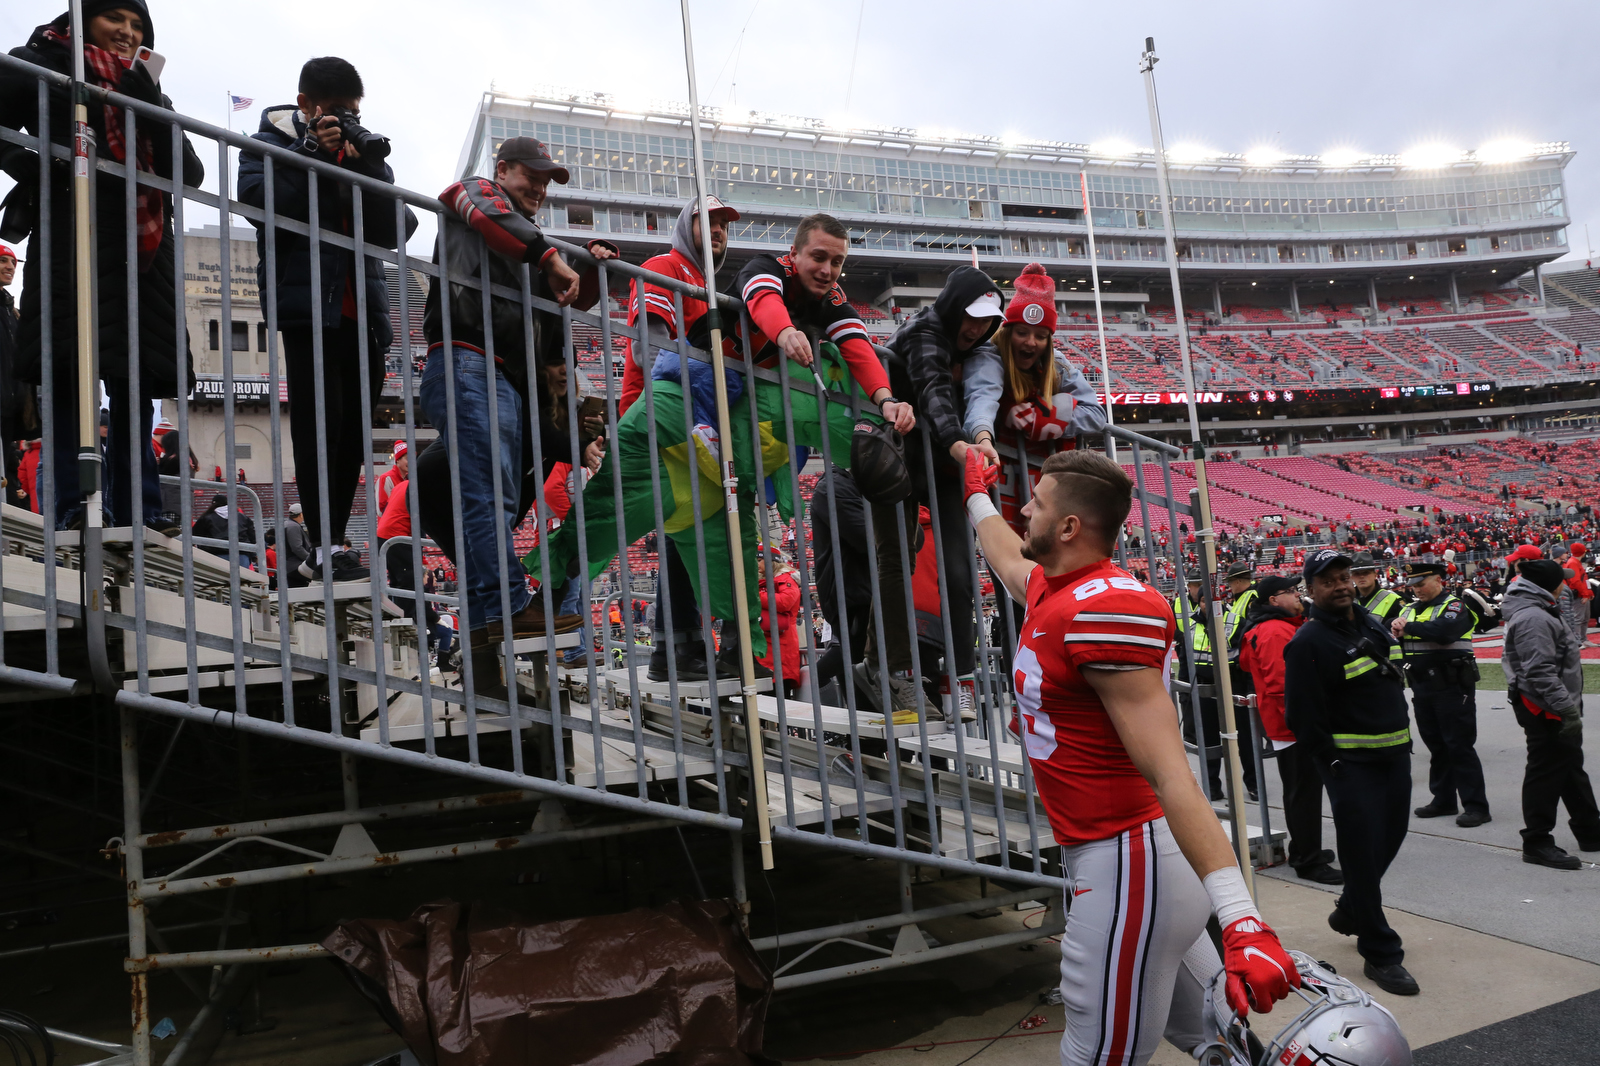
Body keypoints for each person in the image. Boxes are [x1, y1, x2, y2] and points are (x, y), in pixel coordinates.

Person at [962, 447, 1298, 1062]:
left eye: (1035, 504)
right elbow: (1007, 556)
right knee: (1215, 1039)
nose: (1024, 512)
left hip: (1129, 861)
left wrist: (1242, 917)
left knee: (1097, 1056)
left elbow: (1172, 773)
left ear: (1068, 527)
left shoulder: (1103, 607)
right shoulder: (1058, 588)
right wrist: (974, 492)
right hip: (1126, 859)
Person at [1, 0, 202, 530]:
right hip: (73, 233)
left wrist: (150, 108)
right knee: (69, 375)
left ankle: (141, 509)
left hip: (142, 250)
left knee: (133, 383)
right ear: (84, 17)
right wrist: (36, 166)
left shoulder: (151, 90)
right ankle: (73, 507)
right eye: (117, 18)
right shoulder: (43, 62)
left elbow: (191, 172)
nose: (127, 32)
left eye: (138, 26)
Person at [416, 136, 611, 674]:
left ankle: (484, 632)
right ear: (501, 171)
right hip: (466, 359)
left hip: (493, 373)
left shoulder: (522, 250)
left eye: (548, 182)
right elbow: (473, 202)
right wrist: (551, 255)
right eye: (532, 177)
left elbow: (554, 321)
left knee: (489, 496)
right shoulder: (474, 193)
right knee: (488, 495)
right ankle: (506, 604)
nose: (541, 190)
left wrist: (585, 269)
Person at [237, 57, 417, 582]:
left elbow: (396, 227)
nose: (345, 119)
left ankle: (332, 543)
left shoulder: (360, 152)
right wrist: (312, 151)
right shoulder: (268, 143)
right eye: (335, 110)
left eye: (352, 111)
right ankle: (320, 542)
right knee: (323, 426)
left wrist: (362, 165)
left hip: (365, 314)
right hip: (310, 310)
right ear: (305, 105)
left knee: (355, 434)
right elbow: (259, 201)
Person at [865, 265, 1005, 717]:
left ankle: (960, 679)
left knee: (962, 575)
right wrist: (958, 442)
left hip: (941, 467)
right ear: (952, 307)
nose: (977, 328)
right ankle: (892, 671)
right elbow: (934, 391)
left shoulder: (976, 346)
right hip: (905, 461)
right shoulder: (926, 331)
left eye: (987, 321)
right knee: (897, 563)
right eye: (972, 316)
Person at [617, 195, 740, 682]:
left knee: (682, 533)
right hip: (661, 412)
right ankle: (679, 651)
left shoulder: (706, 284)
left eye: (723, 226)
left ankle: (675, 652)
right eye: (706, 222)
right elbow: (651, 353)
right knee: (686, 533)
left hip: (688, 417)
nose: (717, 233)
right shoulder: (663, 267)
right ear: (685, 226)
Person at [1286, 548, 1417, 997]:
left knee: (1393, 837)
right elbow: (1303, 716)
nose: (1340, 585)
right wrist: (1333, 764)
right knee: (1361, 854)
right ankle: (1380, 952)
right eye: (1329, 580)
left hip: (1395, 755)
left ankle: (1350, 907)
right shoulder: (1306, 643)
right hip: (1352, 765)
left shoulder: (1372, 623)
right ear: (1311, 590)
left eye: (1345, 577)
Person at [1240, 574, 1341, 885]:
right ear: (1273, 600)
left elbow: (1247, 663)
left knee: (1301, 792)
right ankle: (1307, 860)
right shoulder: (1274, 631)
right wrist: (1306, 725)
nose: (1298, 595)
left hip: (1288, 725)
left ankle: (1303, 849)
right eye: (1290, 592)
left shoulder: (1270, 628)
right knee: (1304, 795)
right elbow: (1284, 685)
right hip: (1294, 727)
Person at [1501, 557, 1600, 870]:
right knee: (1546, 771)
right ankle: (1536, 840)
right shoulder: (1534, 617)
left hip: (1550, 702)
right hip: (1544, 706)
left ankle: (1590, 830)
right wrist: (1566, 708)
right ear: (1549, 584)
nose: (1566, 583)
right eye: (1563, 579)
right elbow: (1540, 671)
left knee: (1569, 766)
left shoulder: (1539, 609)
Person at [962, 263, 1105, 459]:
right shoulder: (990, 355)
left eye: (1040, 336)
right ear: (1008, 333)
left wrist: (1044, 419)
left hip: (1044, 478)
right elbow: (982, 399)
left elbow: (1095, 414)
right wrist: (984, 437)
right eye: (1021, 333)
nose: (1030, 342)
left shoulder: (1057, 363)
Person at [1393, 561, 1490, 828]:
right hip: (1422, 686)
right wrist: (1398, 626)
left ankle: (1476, 806)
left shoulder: (1455, 606)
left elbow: (1445, 633)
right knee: (1436, 746)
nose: (1417, 590)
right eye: (1412, 585)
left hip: (1452, 687)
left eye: (1421, 584)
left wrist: (1407, 628)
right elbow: (1395, 633)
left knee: (1459, 746)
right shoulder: (1409, 608)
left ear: (1438, 580)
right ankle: (1444, 799)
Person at [809, 465, 873, 700]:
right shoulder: (835, 488)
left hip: (854, 593)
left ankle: (862, 732)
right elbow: (867, 538)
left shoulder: (842, 488)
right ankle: (864, 734)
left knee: (858, 667)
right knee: (859, 668)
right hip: (853, 595)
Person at [1220, 561, 1260, 799]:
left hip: (1245, 672)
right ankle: (1252, 780)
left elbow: (1246, 632)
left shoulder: (1251, 599)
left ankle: (1254, 782)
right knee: (1243, 729)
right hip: (1238, 670)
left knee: (1247, 729)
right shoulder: (1239, 601)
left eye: (1231, 583)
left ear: (1237, 582)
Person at [754, 549, 802, 699]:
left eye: (759, 560)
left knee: (779, 697)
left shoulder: (786, 579)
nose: (757, 565)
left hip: (781, 647)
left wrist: (755, 595)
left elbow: (784, 602)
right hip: (768, 645)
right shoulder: (767, 581)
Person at [1350, 551, 1402, 623]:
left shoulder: (1393, 600)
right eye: (1356, 573)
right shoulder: (1347, 600)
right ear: (1352, 577)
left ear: (1375, 575)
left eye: (1366, 572)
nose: (1361, 576)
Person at [377, 440, 407, 513]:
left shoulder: (410, 478)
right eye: (407, 458)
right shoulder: (386, 478)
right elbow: (382, 507)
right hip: (392, 523)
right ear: (398, 460)